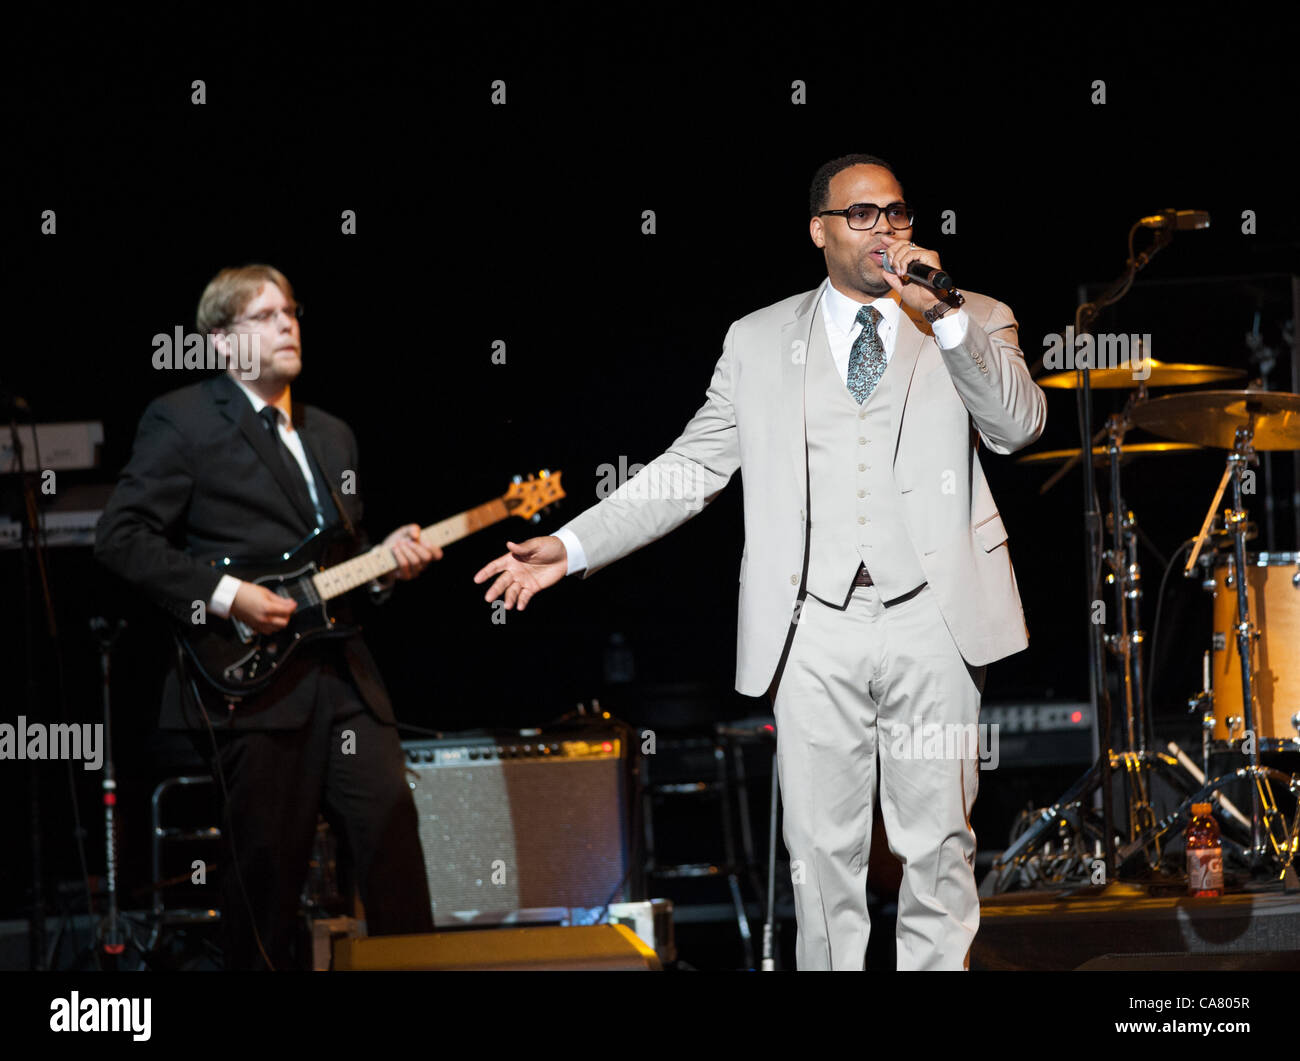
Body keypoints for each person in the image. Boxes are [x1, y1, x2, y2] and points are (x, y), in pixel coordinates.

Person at [473, 154, 1047, 970]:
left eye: (898, 212)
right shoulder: (757, 339)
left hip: (936, 614)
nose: (885, 228)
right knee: (821, 862)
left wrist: (947, 317)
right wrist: (570, 547)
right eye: (862, 214)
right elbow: (688, 470)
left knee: (939, 849)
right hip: (811, 625)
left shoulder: (975, 314)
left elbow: (1018, 425)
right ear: (819, 231)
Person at [95, 265, 439, 970]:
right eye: (266, 315)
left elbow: (345, 566)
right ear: (222, 342)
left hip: (344, 673)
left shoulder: (332, 433)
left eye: (292, 311)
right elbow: (121, 537)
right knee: (268, 869)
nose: (288, 324)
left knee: (392, 833)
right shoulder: (185, 417)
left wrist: (387, 567)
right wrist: (230, 595)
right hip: (250, 683)